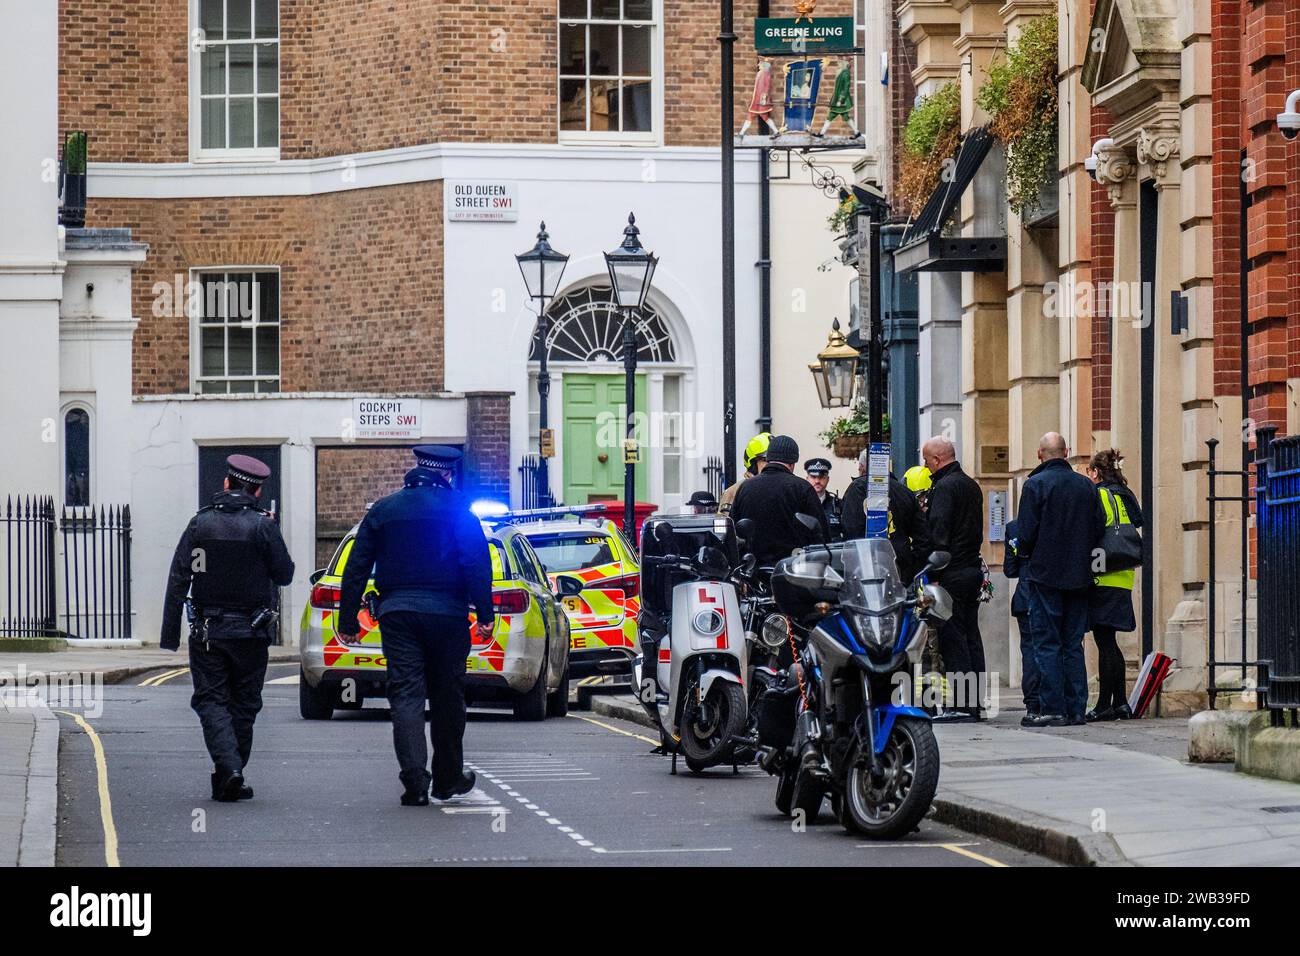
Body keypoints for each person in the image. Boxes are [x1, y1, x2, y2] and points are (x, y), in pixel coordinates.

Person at [337, 445, 494, 806]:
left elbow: (356, 568)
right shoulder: (460, 511)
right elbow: (476, 565)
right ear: (447, 474)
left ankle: (414, 783)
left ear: (417, 470)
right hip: (448, 616)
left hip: (398, 614)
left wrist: (348, 621)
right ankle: (447, 779)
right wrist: (485, 615)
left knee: (405, 696)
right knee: (447, 696)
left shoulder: (384, 509)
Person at [161, 454, 295, 802]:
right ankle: (232, 772)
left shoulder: (200, 525)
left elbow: (179, 577)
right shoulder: (263, 527)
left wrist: (169, 635)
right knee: (245, 704)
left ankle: (229, 771)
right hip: (252, 633)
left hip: (209, 632)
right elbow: (285, 574)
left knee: (212, 701)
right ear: (258, 490)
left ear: (226, 484)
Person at [1016, 432, 1106, 728]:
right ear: (1066, 452)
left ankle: (1052, 708)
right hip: (1080, 575)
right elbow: (1098, 526)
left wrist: (1029, 554)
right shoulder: (1085, 485)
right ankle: (1076, 708)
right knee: (1072, 643)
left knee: (1046, 642)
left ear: (1039, 454)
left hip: (1044, 575)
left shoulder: (1035, 485)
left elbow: (1025, 533)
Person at [920, 437, 986, 721]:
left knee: (953, 639)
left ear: (936, 460)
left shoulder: (944, 487)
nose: (925, 466)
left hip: (950, 572)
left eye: (926, 461)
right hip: (971, 569)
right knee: (971, 636)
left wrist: (932, 576)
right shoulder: (971, 484)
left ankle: (960, 704)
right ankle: (975, 701)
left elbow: (939, 534)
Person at [1085, 449, 1142, 721]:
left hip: (1102, 573)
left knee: (1104, 641)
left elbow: (1093, 530)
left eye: (1089, 472)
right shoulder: (1125, 494)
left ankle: (1106, 704)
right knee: (1111, 642)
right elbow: (1138, 521)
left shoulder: (1100, 495)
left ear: (1096, 472)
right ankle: (1119, 702)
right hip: (1124, 574)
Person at [731, 435, 829, 565]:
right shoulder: (802, 488)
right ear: (793, 462)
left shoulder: (745, 488)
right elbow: (821, 535)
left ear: (769, 458)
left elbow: (733, 530)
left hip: (753, 572)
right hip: (792, 571)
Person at [841, 449, 929, 581]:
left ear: (862, 467)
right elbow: (923, 537)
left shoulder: (857, 489)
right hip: (900, 571)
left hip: (865, 570)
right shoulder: (904, 492)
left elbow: (850, 532)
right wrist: (911, 566)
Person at [1002, 517, 1039, 725]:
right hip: (1050, 594)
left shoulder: (1014, 527)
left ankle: (1033, 703)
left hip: (1025, 595)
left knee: (1030, 650)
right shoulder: (1052, 523)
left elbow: (1010, 569)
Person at [719, 432, 771, 516]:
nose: (771, 464)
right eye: (765, 460)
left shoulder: (785, 487)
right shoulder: (733, 492)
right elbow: (726, 524)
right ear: (752, 464)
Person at [803, 457, 843, 541]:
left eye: (821, 477)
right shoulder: (800, 503)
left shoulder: (837, 504)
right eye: (813, 477)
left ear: (827, 479)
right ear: (807, 479)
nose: (817, 481)